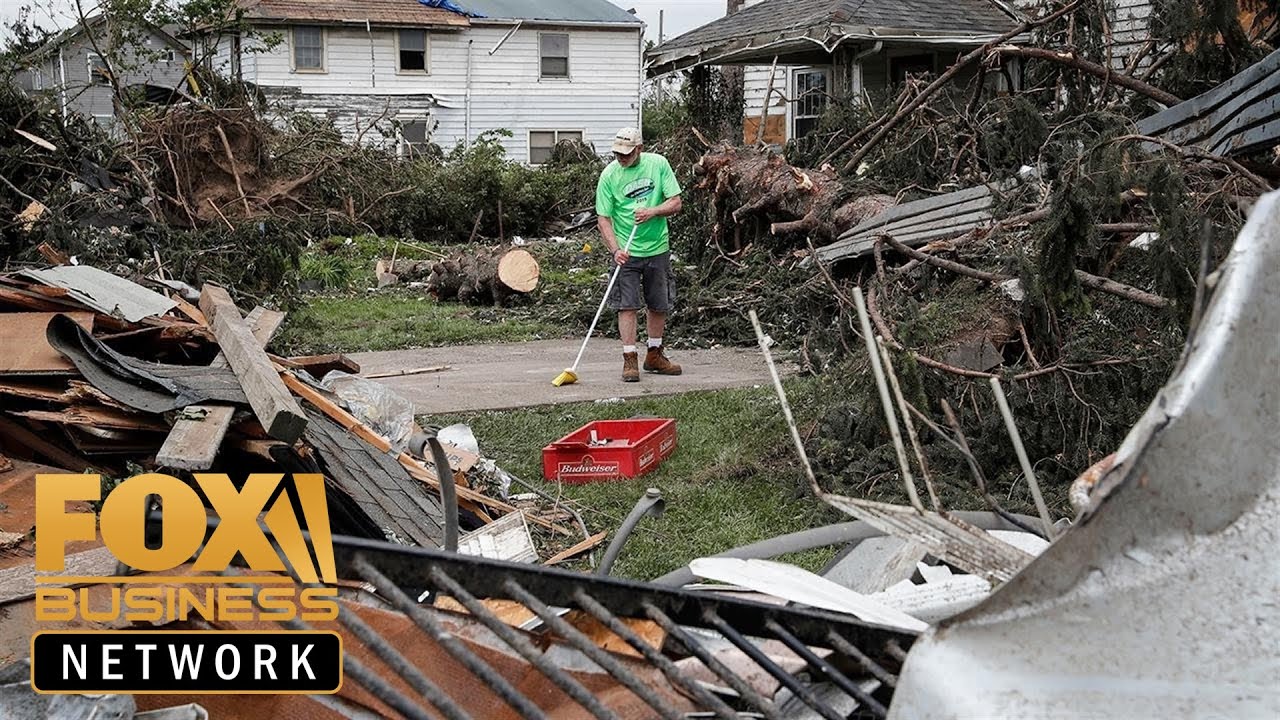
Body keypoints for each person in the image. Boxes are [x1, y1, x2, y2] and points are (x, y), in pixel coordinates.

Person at [595, 127, 684, 383]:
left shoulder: (658, 165)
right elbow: (603, 218)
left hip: (657, 248)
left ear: (639, 149)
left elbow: (676, 202)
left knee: (659, 303)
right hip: (627, 252)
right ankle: (629, 358)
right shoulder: (609, 175)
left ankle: (654, 355)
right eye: (617, 153)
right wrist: (615, 250)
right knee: (627, 304)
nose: (621, 158)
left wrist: (653, 211)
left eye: (626, 153)